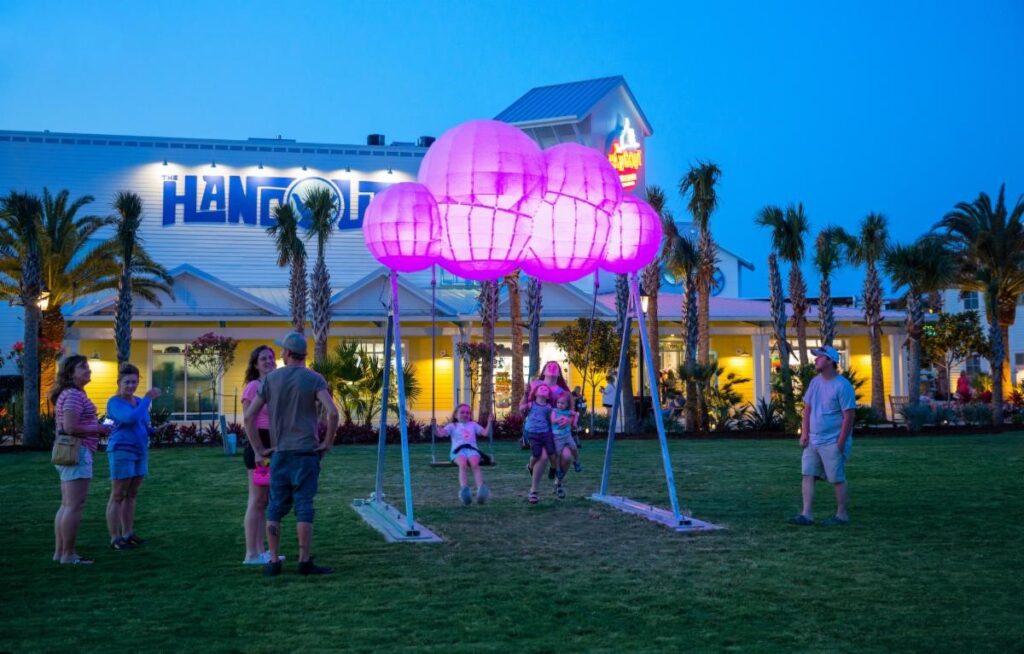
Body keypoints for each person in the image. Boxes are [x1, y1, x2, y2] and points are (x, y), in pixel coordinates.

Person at [244, 332, 339, 576]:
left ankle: (274, 561)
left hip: (280, 452)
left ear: (286, 354)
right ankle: (304, 560)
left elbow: (248, 417)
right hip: (307, 452)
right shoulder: (313, 378)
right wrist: (327, 443)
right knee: (304, 506)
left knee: (275, 507)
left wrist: (258, 449)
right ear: (303, 355)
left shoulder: (271, 380)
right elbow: (332, 413)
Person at [52, 354, 110, 565]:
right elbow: (70, 427)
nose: (88, 370)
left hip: (71, 452)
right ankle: (68, 554)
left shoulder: (70, 394)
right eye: (83, 367)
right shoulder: (74, 395)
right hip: (78, 452)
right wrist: (99, 428)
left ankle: (60, 552)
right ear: (71, 373)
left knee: (67, 504)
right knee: (74, 505)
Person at [790, 345, 856, 527]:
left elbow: (849, 416)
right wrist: (805, 434)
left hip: (832, 441)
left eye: (819, 357)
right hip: (813, 439)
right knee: (808, 474)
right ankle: (806, 514)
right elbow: (807, 409)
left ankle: (842, 515)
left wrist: (840, 443)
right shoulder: (815, 382)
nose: (815, 359)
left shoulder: (842, 386)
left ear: (830, 361)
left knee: (836, 478)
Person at [105, 363, 160, 551]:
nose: (131, 386)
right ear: (119, 382)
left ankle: (128, 533)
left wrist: (153, 430)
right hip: (122, 450)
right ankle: (115, 538)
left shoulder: (137, 400)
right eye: (127, 382)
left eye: (134, 382)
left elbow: (141, 423)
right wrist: (147, 399)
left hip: (140, 451)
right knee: (118, 494)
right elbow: (130, 418)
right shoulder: (114, 402)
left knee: (132, 494)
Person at [240, 345, 278, 565]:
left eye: (271, 358)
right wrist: (257, 451)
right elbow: (248, 420)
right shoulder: (254, 386)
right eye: (263, 358)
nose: (268, 361)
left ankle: (261, 551)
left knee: (264, 501)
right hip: (259, 447)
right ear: (255, 364)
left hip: (271, 446)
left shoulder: (273, 385)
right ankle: (251, 553)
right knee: (256, 500)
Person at [434, 403, 492, 505]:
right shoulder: (452, 426)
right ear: (456, 415)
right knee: (463, 464)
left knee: (475, 465)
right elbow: (440, 434)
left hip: (472, 450)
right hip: (458, 451)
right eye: (462, 412)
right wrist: (434, 427)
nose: (465, 414)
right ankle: (464, 490)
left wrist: (489, 423)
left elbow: (485, 433)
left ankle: (481, 489)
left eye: (468, 413)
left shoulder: (473, 425)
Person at [520, 384, 555, 504]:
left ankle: (552, 470)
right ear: (535, 393)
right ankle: (530, 467)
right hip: (532, 432)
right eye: (541, 389)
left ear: (549, 395)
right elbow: (521, 409)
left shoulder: (549, 407)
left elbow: (552, 418)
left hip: (545, 432)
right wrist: (525, 393)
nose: (544, 389)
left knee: (549, 453)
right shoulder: (531, 404)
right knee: (537, 454)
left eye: (546, 389)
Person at [550, 392, 581, 498]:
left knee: (574, 447)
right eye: (558, 403)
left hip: (567, 436)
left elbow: (576, 414)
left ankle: (577, 462)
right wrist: (558, 419)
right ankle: (558, 470)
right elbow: (552, 420)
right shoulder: (555, 411)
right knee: (558, 454)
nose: (560, 405)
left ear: (567, 404)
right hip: (557, 437)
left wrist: (574, 422)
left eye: (562, 403)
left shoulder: (568, 412)